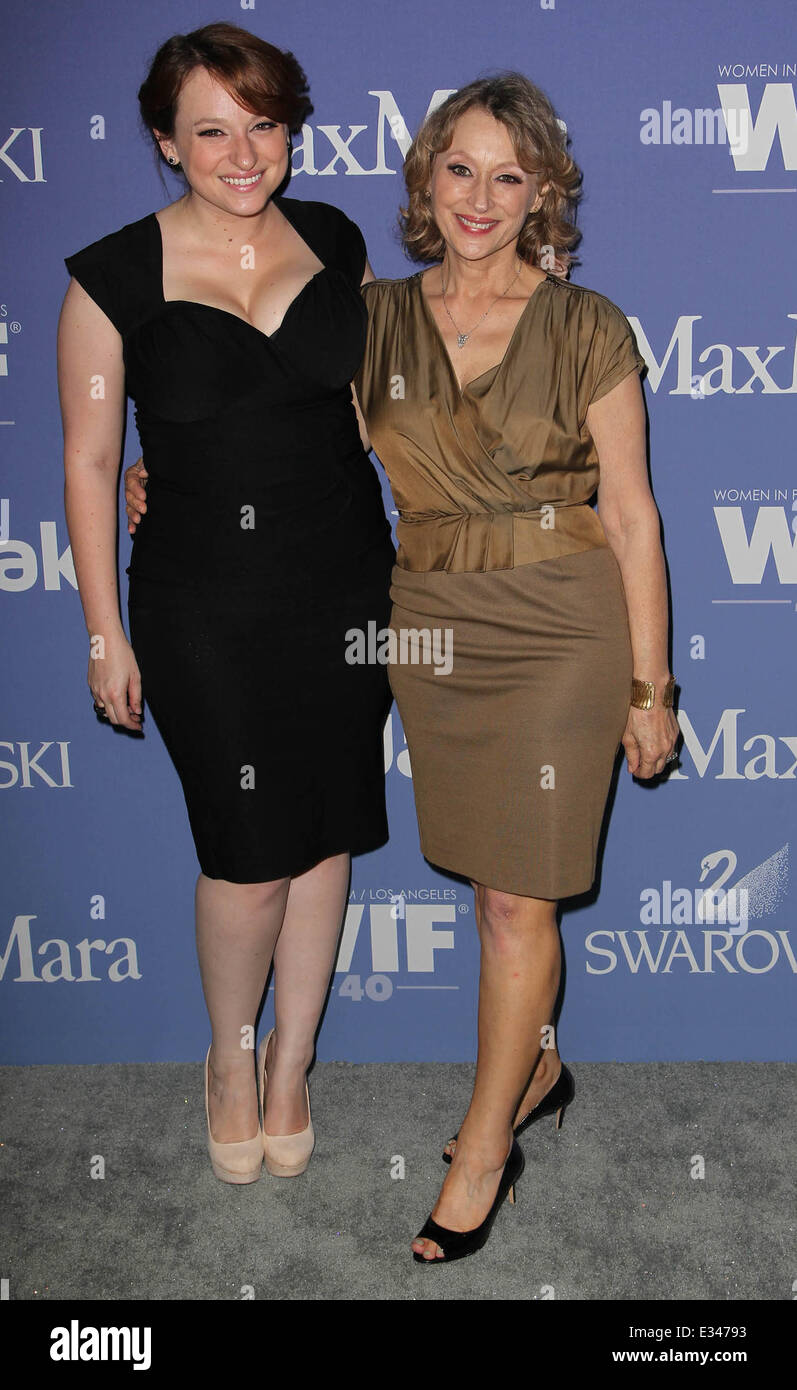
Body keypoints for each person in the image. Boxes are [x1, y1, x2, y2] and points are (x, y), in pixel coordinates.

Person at [127, 72, 680, 1263]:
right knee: (487, 882)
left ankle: (484, 1148)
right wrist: (152, 475)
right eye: (459, 168)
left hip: (559, 620)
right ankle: (534, 1065)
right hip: (426, 623)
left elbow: (633, 517)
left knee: (510, 899)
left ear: (541, 194)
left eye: (508, 175)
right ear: (426, 177)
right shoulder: (368, 318)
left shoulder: (590, 325)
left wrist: (651, 686)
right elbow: (261, 421)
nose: (480, 196)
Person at [58, 22, 395, 1185]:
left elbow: (371, 411)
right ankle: (228, 1054)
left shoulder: (336, 235)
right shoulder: (110, 277)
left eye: (262, 123)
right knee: (248, 850)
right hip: (205, 598)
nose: (243, 152)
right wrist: (105, 629)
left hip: (344, 573)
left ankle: (295, 1061)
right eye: (210, 129)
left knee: (328, 829)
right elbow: (91, 462)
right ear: (165, 141)